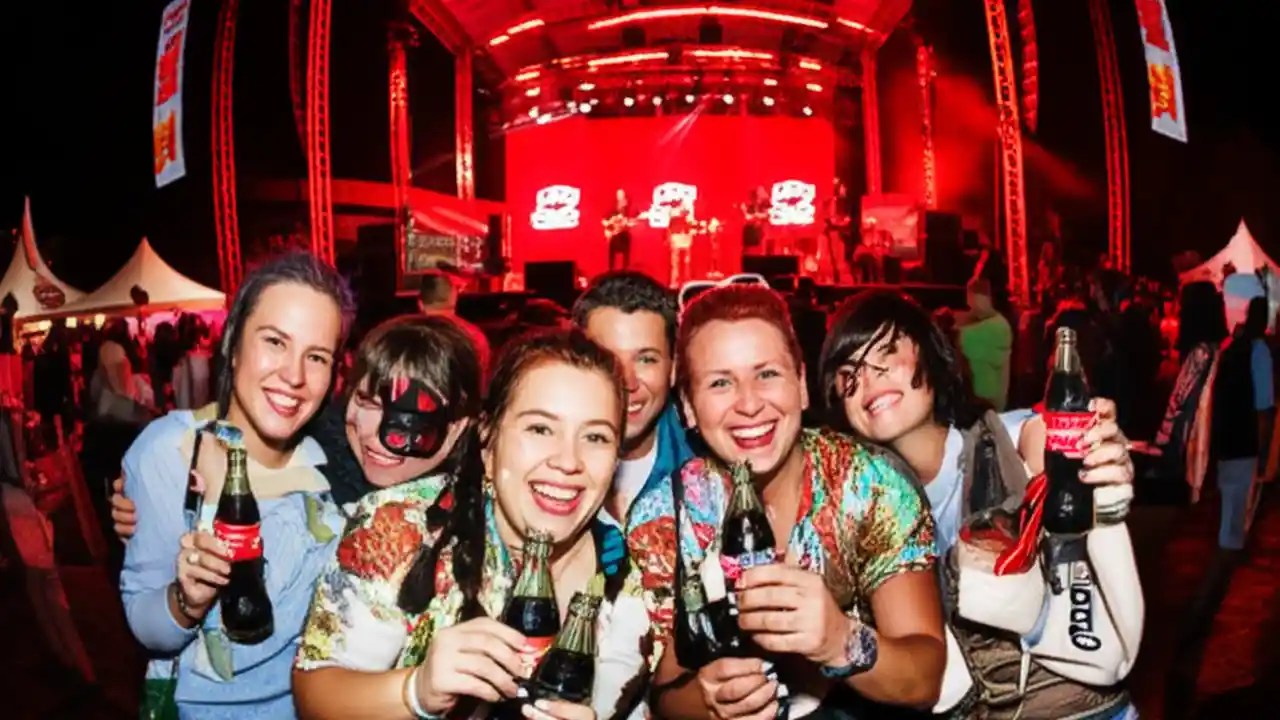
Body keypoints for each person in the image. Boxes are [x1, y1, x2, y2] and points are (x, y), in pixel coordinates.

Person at [292, 329, 651, 720]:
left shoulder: (637, 573)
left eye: (595, 437)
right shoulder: (405, 527)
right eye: (540, 428)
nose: (568, 461)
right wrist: (416, 691)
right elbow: (315, 694)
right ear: (487, 437)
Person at [819, 289, 1141, 719]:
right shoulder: (864, 510)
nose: (871, 378)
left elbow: (1053, 440)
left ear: (931, 357)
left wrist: (1101, 454)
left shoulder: (1006, 444)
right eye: (850, 371)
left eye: (887, 352)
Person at [629, 285, 945, 718]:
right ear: (687, 406)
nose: (749, 403)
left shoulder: (869, 485)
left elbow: (925, 677)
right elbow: (664, 694)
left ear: (800, 385)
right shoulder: (665, 518)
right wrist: (712, 704)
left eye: (767, 374)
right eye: (720, 382)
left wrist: (838, 639)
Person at [119, 253, 354, 718]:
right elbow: (146, 625)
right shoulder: (171, 452)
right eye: (275, 342)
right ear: (232, 341)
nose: (294, 375)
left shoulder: (340, 463)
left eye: (317, 356)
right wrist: (187, 600)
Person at [571, 271, 694, 526]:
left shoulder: (707, 470)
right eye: (608, 360)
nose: (627, 382)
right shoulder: (544, 466)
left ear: (673, 369)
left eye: (646, 359)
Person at [1211, 296, 1273, 551]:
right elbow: (1263, 406)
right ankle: (1220, 579)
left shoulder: (1232, 346)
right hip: (1245, 441)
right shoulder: (1259, 351)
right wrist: (1264, 451)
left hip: (1225, 438)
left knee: (1228, 504)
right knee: (1236, 519)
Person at [956, 278, 1013, 410]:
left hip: (987, 402)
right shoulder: (996, 323)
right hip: (985, 402)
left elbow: (958, 339)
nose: (969, 304)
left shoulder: (996, 327)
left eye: (970, 299)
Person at [603, 189, 636, 271]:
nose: (620, 198)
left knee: (626, 250)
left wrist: (628, 222)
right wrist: (610, 223)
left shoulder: (628, 208)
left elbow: (632, 219)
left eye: (622, 195)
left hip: (624, 233)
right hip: (614, 233)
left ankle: (625, 268)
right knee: (612, 251)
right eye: (618, 195)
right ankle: (611, 269)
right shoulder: (612, 207)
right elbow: (604, 219)